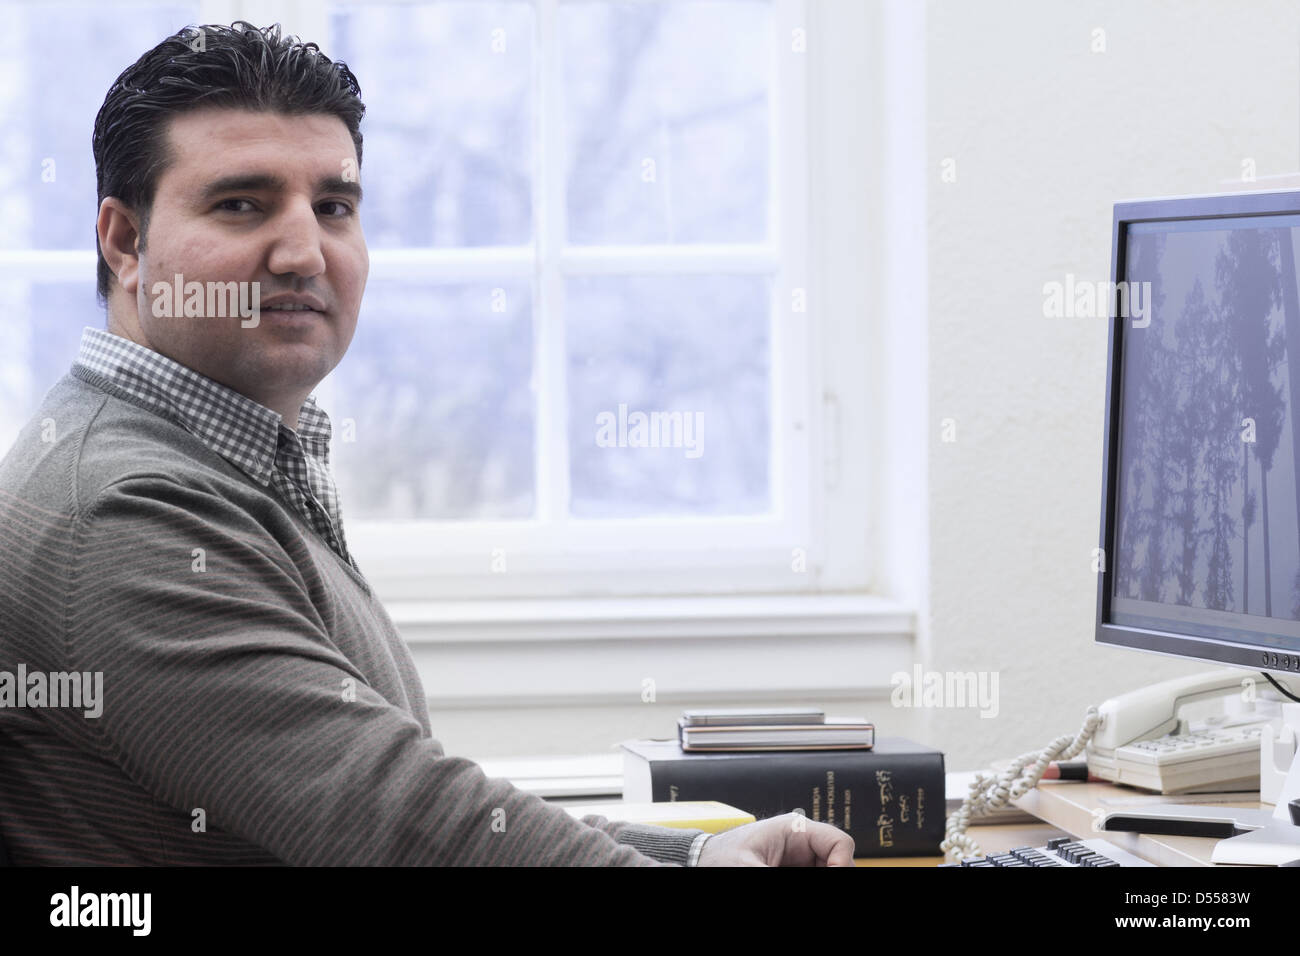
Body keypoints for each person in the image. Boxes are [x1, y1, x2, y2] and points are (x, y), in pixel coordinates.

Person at [0, 21, 854, 867]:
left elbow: (398, 792)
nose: (304, 251)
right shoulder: (126, 510)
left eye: (333, 207)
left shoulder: (208, 460)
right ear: (125, 242)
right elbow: (398, 823)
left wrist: (694, 855)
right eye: (240, 204)